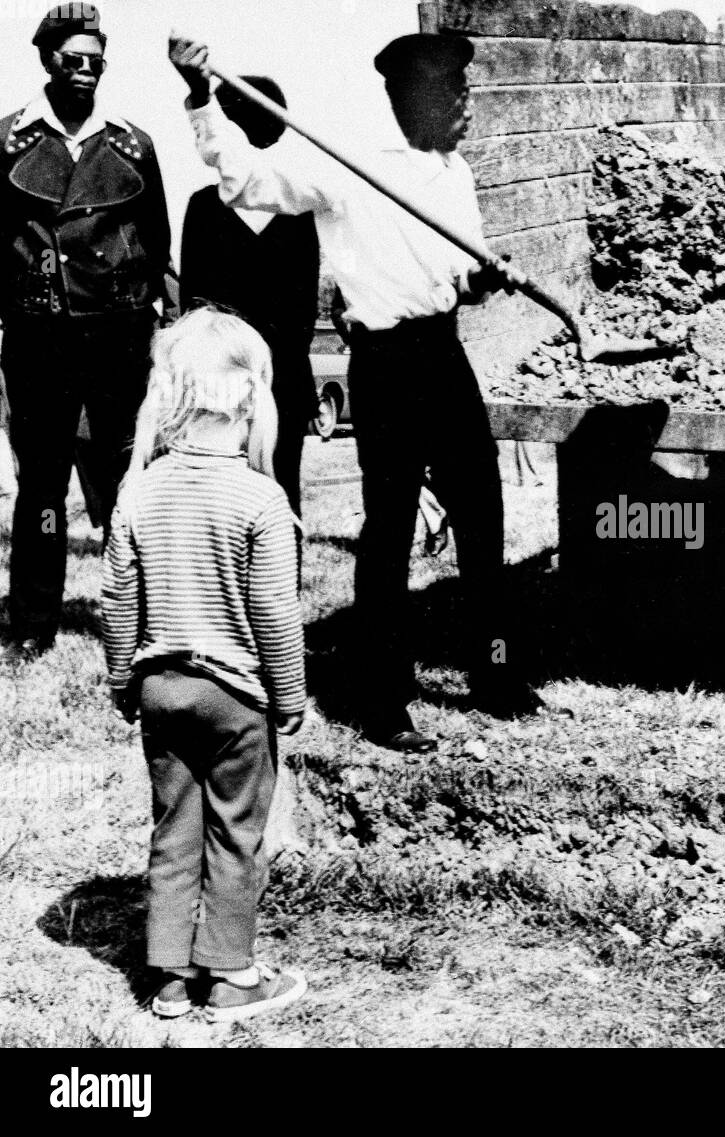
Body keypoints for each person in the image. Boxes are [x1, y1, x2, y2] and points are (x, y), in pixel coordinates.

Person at [169, 30, 538, 753]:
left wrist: (482, 279)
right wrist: (200, 97)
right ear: (417, 97)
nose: (468, 104)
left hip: (445, 352)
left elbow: (457, 273)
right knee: (390, 528)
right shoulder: (349, 169)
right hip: (387, 362)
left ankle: (494, 676)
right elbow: (245, 180)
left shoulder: (455, 174)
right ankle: (383, 699)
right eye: (455, 92)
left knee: (482, 514)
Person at [102, 307, 308, 1022]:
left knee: (173, 826)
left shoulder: (140, 491)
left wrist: (123, 680)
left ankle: (168, 980)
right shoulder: (261, 498)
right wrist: (289, 696)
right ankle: (232, 976)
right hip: (234, 696)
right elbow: (275, 615)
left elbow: (117, 600)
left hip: (161, 688)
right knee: (235, 829)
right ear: (253, 400)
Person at [0, 3, 171, 661]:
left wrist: (155, 323)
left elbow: (155, 243)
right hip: (39, 333)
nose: (85, 72)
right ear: (46, 59)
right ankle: (34, 623)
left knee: (126, 476)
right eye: (73, 59)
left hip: (118, 335)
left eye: (96, 61)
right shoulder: (10, 144)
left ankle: (138, 613)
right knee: (42, 483)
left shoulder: (133, 146)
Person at [180, 77, 320, 521]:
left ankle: (277, 583)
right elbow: (196, 309)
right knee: (241, 496)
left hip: (269, 380)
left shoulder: (298, 209)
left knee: (278, 493)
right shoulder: (208, 208)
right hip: (229, 383)